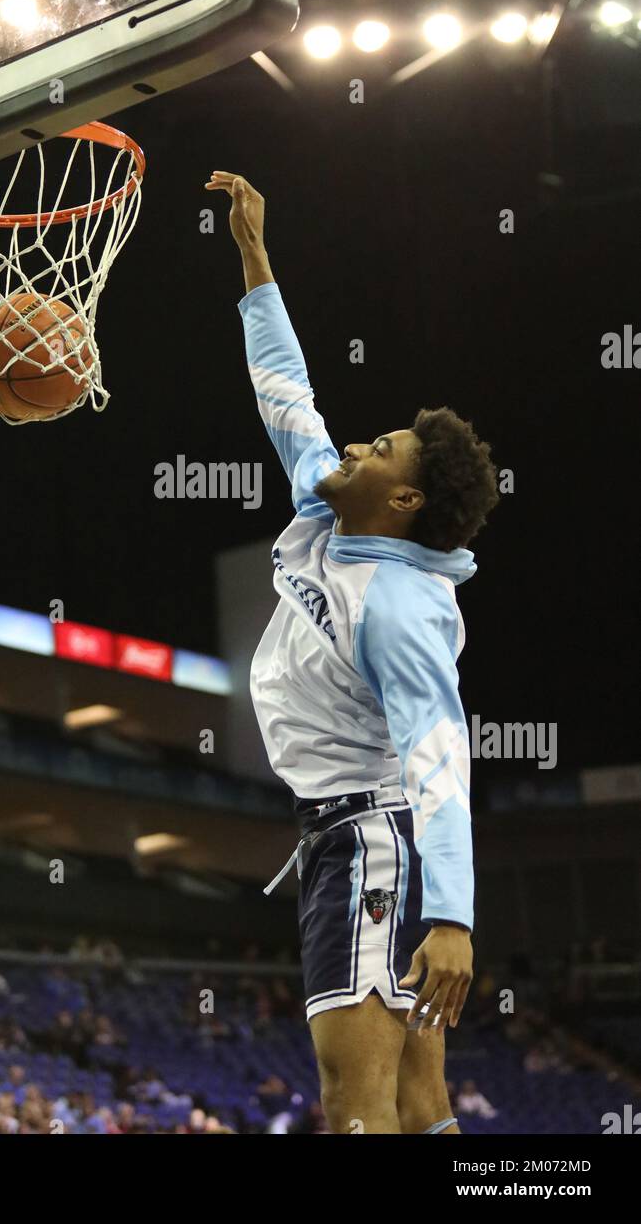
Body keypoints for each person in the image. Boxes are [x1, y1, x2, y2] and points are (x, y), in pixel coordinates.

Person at [206, 172, 500, 1135]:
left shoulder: (401, 610)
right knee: (418, 1104)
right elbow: (285, 393)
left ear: (405, 502)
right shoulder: (326, 510)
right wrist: (255, 260)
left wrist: (452, 916)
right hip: (355, 837)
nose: (353, 449)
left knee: (355, 1106)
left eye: (377, 448)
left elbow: (441, 760)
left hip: (371, 840)